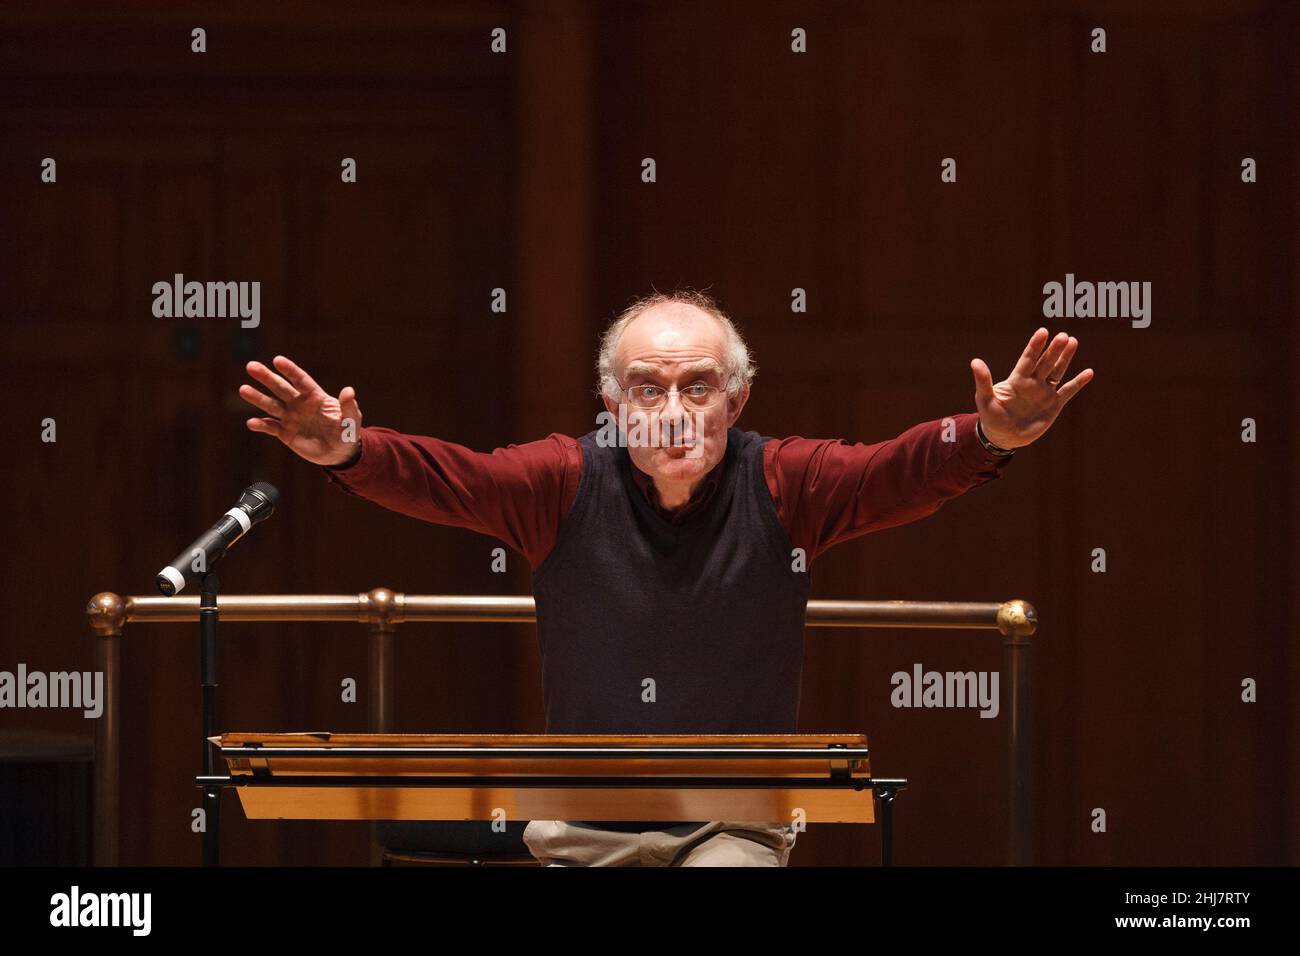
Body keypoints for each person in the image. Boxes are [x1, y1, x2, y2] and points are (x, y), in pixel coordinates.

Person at [239, 289, 1093, 866]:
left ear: (738, 401)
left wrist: (989, 438)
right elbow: (450, 475)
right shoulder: (563, 479)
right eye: (646, 388)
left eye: (698, 385)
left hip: (737, 825)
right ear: (611, 407)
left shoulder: (784, 481)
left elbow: (895, 472)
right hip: (580, 824)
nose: (674, 409)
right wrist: (349, 450)